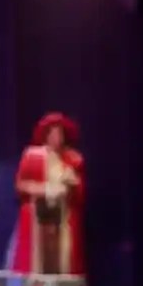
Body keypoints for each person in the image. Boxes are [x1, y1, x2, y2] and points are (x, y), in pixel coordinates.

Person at [13, 112, 86, 276]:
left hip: (62, 218)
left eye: (60, 133)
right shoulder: (32, 155)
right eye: (52, 133)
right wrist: (44, 190)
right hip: (39, 218)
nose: (56, 137)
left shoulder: (73, 159)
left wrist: (72, 184)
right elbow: (20, 185)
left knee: (62, 261)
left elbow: (80, 194)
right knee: (38, 260)